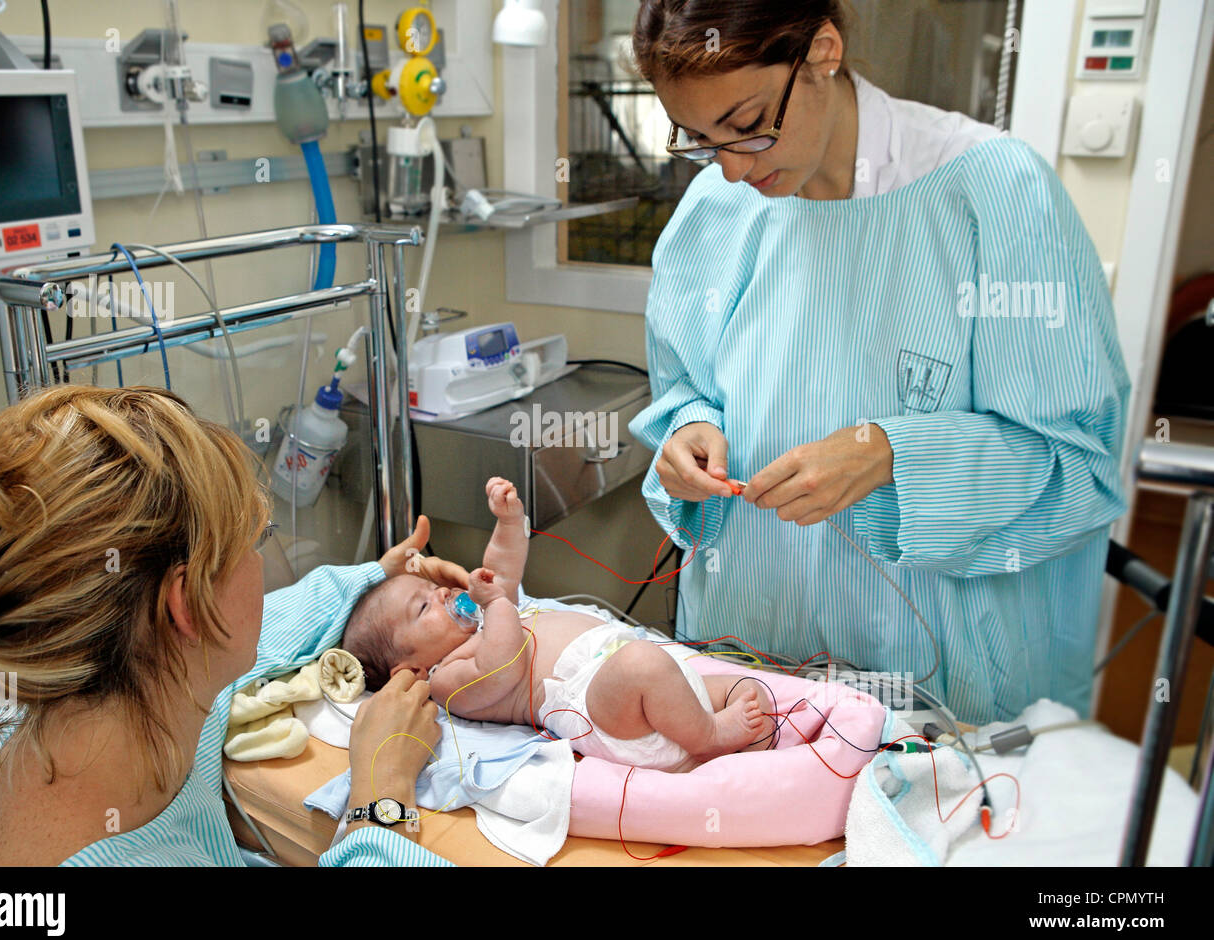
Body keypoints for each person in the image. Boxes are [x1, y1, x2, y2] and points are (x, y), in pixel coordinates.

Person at [625, 1, 1131, 725]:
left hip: (939, 687)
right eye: (701, 140)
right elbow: (686, 389)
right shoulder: (715, 210)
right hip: (749, 665)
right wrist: (687, 435)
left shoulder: (996, 193)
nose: (733, 169)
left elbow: (1076, 466)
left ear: (824, 51)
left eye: (748, 125)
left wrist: (893, 454)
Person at [0, 385, 466, 865]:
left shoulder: (74, 701)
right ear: (189, 603)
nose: (262, 562)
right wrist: (382, 794)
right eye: (256, 539)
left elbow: (264, 628)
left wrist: (378, 578)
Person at [345, 478, 771, 771]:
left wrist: (510, 522)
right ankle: (707, 738)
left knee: (733, 686)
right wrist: (495, 605)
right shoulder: (445, 679)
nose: (439, 593)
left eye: (429, 588)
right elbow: (504, 665)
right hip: (602, 711)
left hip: (638, 689)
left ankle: (729, 732)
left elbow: (503, 572)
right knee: (643, 663)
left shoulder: (489, 615)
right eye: (422, 609)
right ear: (411, 669)